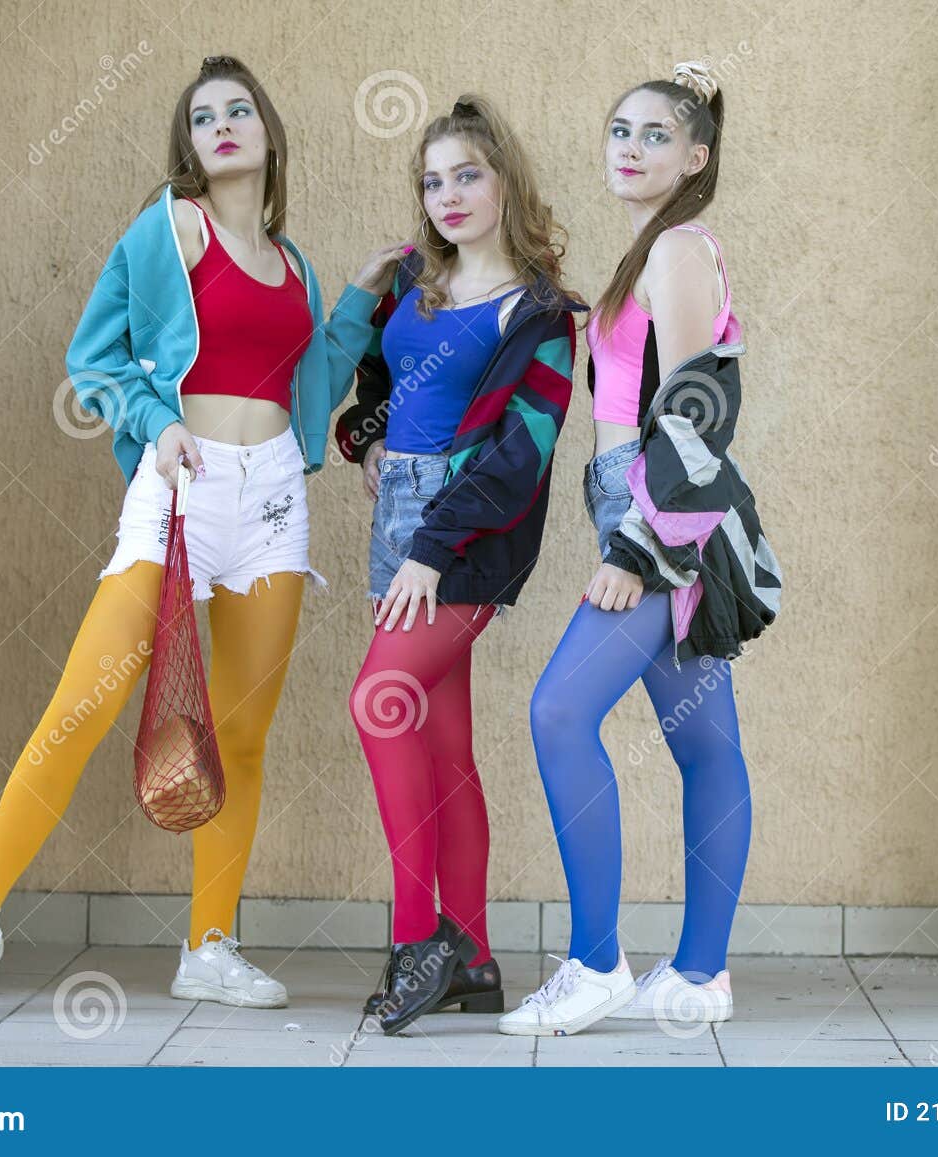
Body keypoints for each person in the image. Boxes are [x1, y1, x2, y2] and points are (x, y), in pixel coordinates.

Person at [0, 54, 405, 1020]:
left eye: (238, 110)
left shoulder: (295, 266)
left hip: (271, 503)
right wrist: (155, 422)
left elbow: (311, 380)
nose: (221, 125)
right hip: (180, 490)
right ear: (189, 143)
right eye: (203, 116)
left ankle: (209, 947)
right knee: (79, 709)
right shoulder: (169, 230)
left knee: (240, 737)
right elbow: (95, 355)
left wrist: (354, 293)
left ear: (268, 133)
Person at [500, 62, 782, 1037]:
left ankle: (594, 963)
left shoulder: (678, 250)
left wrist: (633, 548)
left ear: (696, 157)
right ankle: (701, 973)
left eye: (656, 134)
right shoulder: (648, 253)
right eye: (620, 129)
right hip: (645, 511)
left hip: (663, 524)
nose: (630, 146)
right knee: (705, 743)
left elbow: (696, 414)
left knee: (558, 709)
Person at [333, 94, 586, 1036]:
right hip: (396, 514)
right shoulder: (417, 280)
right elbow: (382, 377)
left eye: (467, 175)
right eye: (433, 180)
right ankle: (473, 955)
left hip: (466, 534)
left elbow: (522, 455)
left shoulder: (542, 315)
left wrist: (433, 551)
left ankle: (418, 941)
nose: (447, 195)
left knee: (378, 701)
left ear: (505, 182)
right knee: (441, 747)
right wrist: (364, 439)